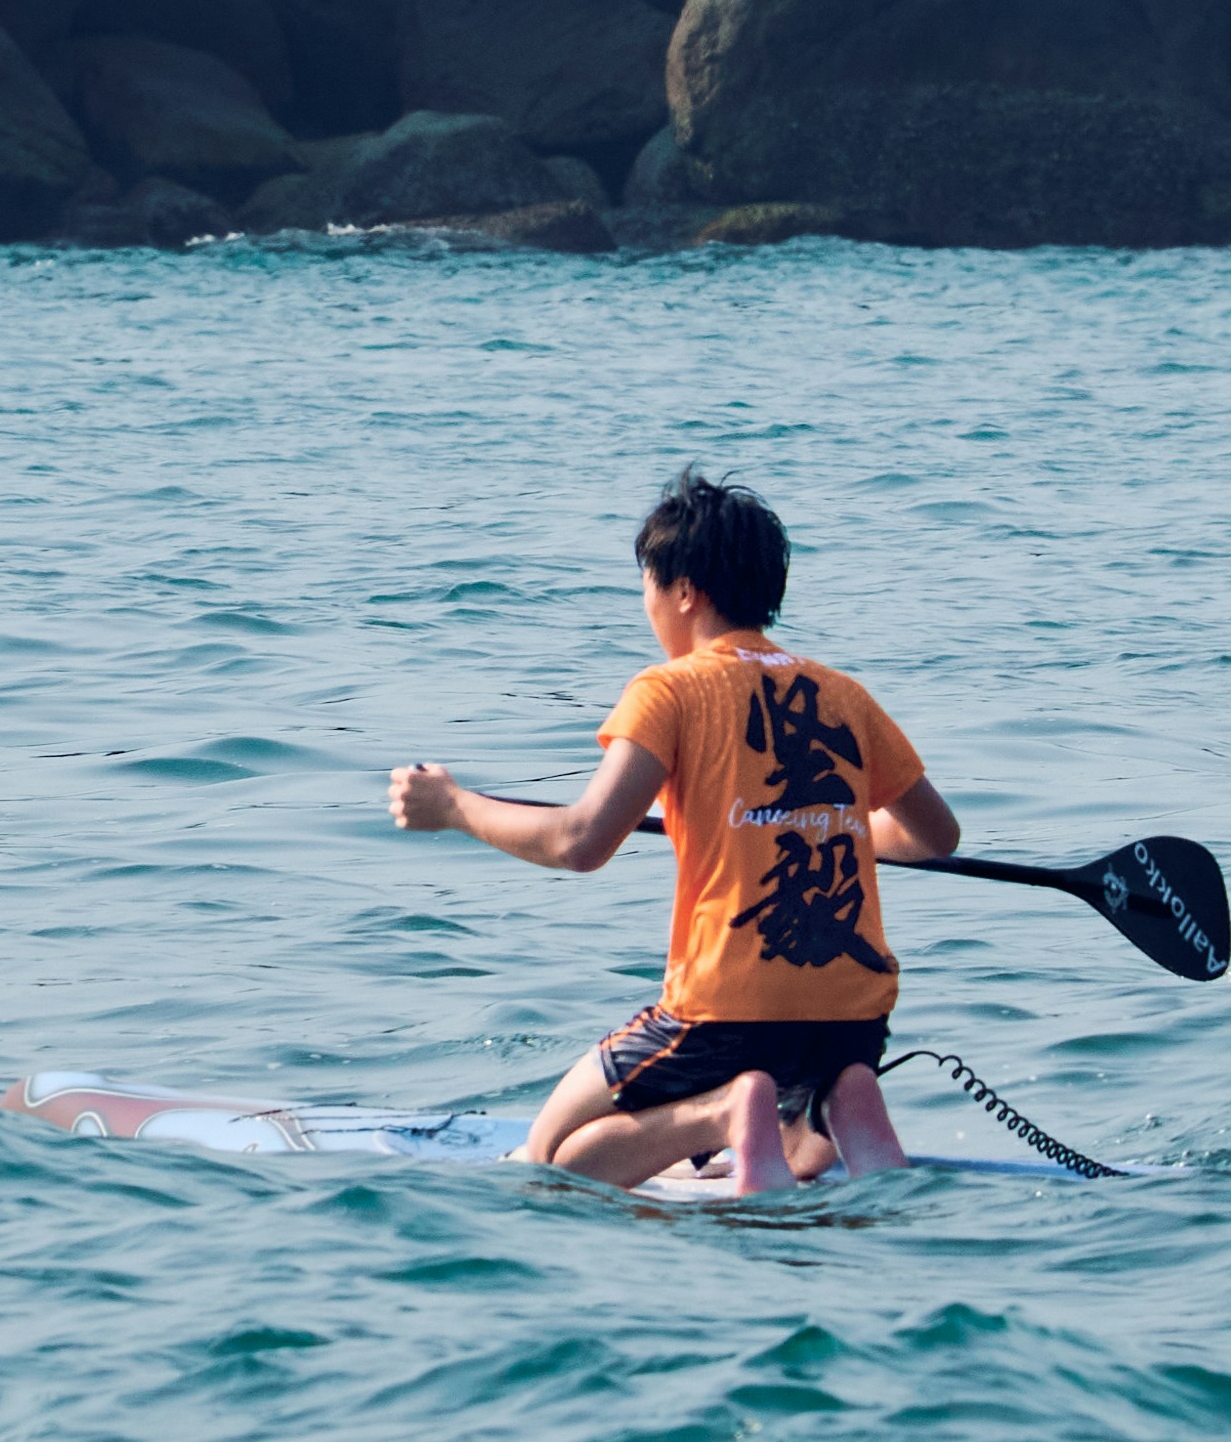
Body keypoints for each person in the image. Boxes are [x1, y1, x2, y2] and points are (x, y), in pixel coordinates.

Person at [386, 469, 962, 1192]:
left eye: (648, 586)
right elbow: (936, 835)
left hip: (727, 1011)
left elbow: (581, 842)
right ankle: (842, 1104)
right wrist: (823, 824)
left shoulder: (670, 688)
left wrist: (454, 807)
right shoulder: (846, 695)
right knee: (801, 1151)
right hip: (851, 1017)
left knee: (549, 1155)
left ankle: (723, 1112)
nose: (647, 606)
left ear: (684, 589)